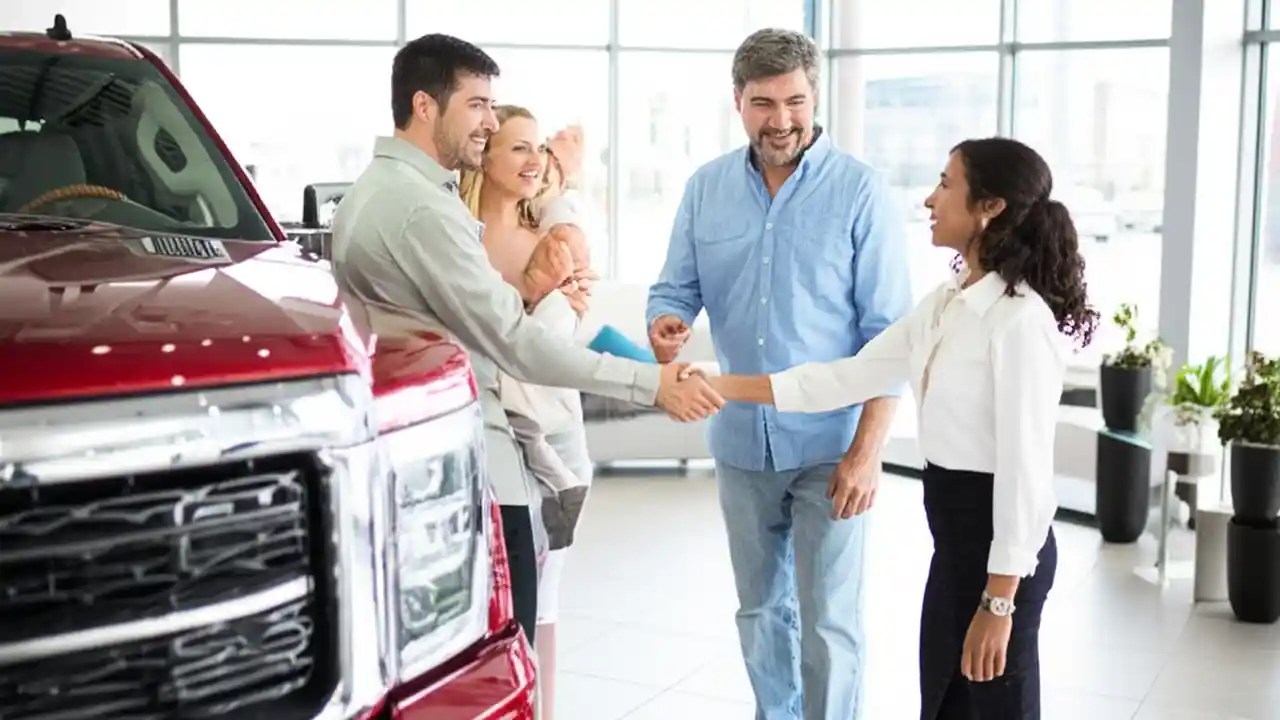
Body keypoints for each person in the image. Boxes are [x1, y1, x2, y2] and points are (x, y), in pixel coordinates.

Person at [329, 33, 723, 647]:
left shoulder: (371, 192)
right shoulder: (421, 210)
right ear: (425, 105)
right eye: (478, 105)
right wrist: (650, 382)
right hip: (478, 463)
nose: (488, 121)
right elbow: (514, 343)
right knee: (507, 653)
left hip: (434, 457)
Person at [683, 137, 1099, 719]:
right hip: (954, 544)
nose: (930, 199)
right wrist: (720, 383)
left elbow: (1026, 477)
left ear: (991, 207)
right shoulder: (947, 303)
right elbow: (844, 377)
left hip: (1001, 553)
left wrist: (999, 602)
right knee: (945, 705)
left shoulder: (1019, 322)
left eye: (947, 184)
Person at [645, 28, 912, 720]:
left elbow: (891, 338)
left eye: (795, 100)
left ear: (814, 95)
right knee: (761, 612)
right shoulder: (706, 189)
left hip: (831, 447)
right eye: (764, 102)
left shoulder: (860, 192)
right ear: (738, 100)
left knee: (829, 624)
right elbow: (674, 288)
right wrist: (666, 322)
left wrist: (867, 452)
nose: (782, 120)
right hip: (740, 444)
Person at [458, 104, 656, 720]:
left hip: (554, 438)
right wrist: (535, 305)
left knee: (545, 597)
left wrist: (546, 309)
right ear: (484, 155)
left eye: (538, 148)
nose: (533, 160)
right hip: (483, 436)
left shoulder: (553, 242)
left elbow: (565, 338)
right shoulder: (455, 241)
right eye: (518, 147)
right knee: (485, 595)